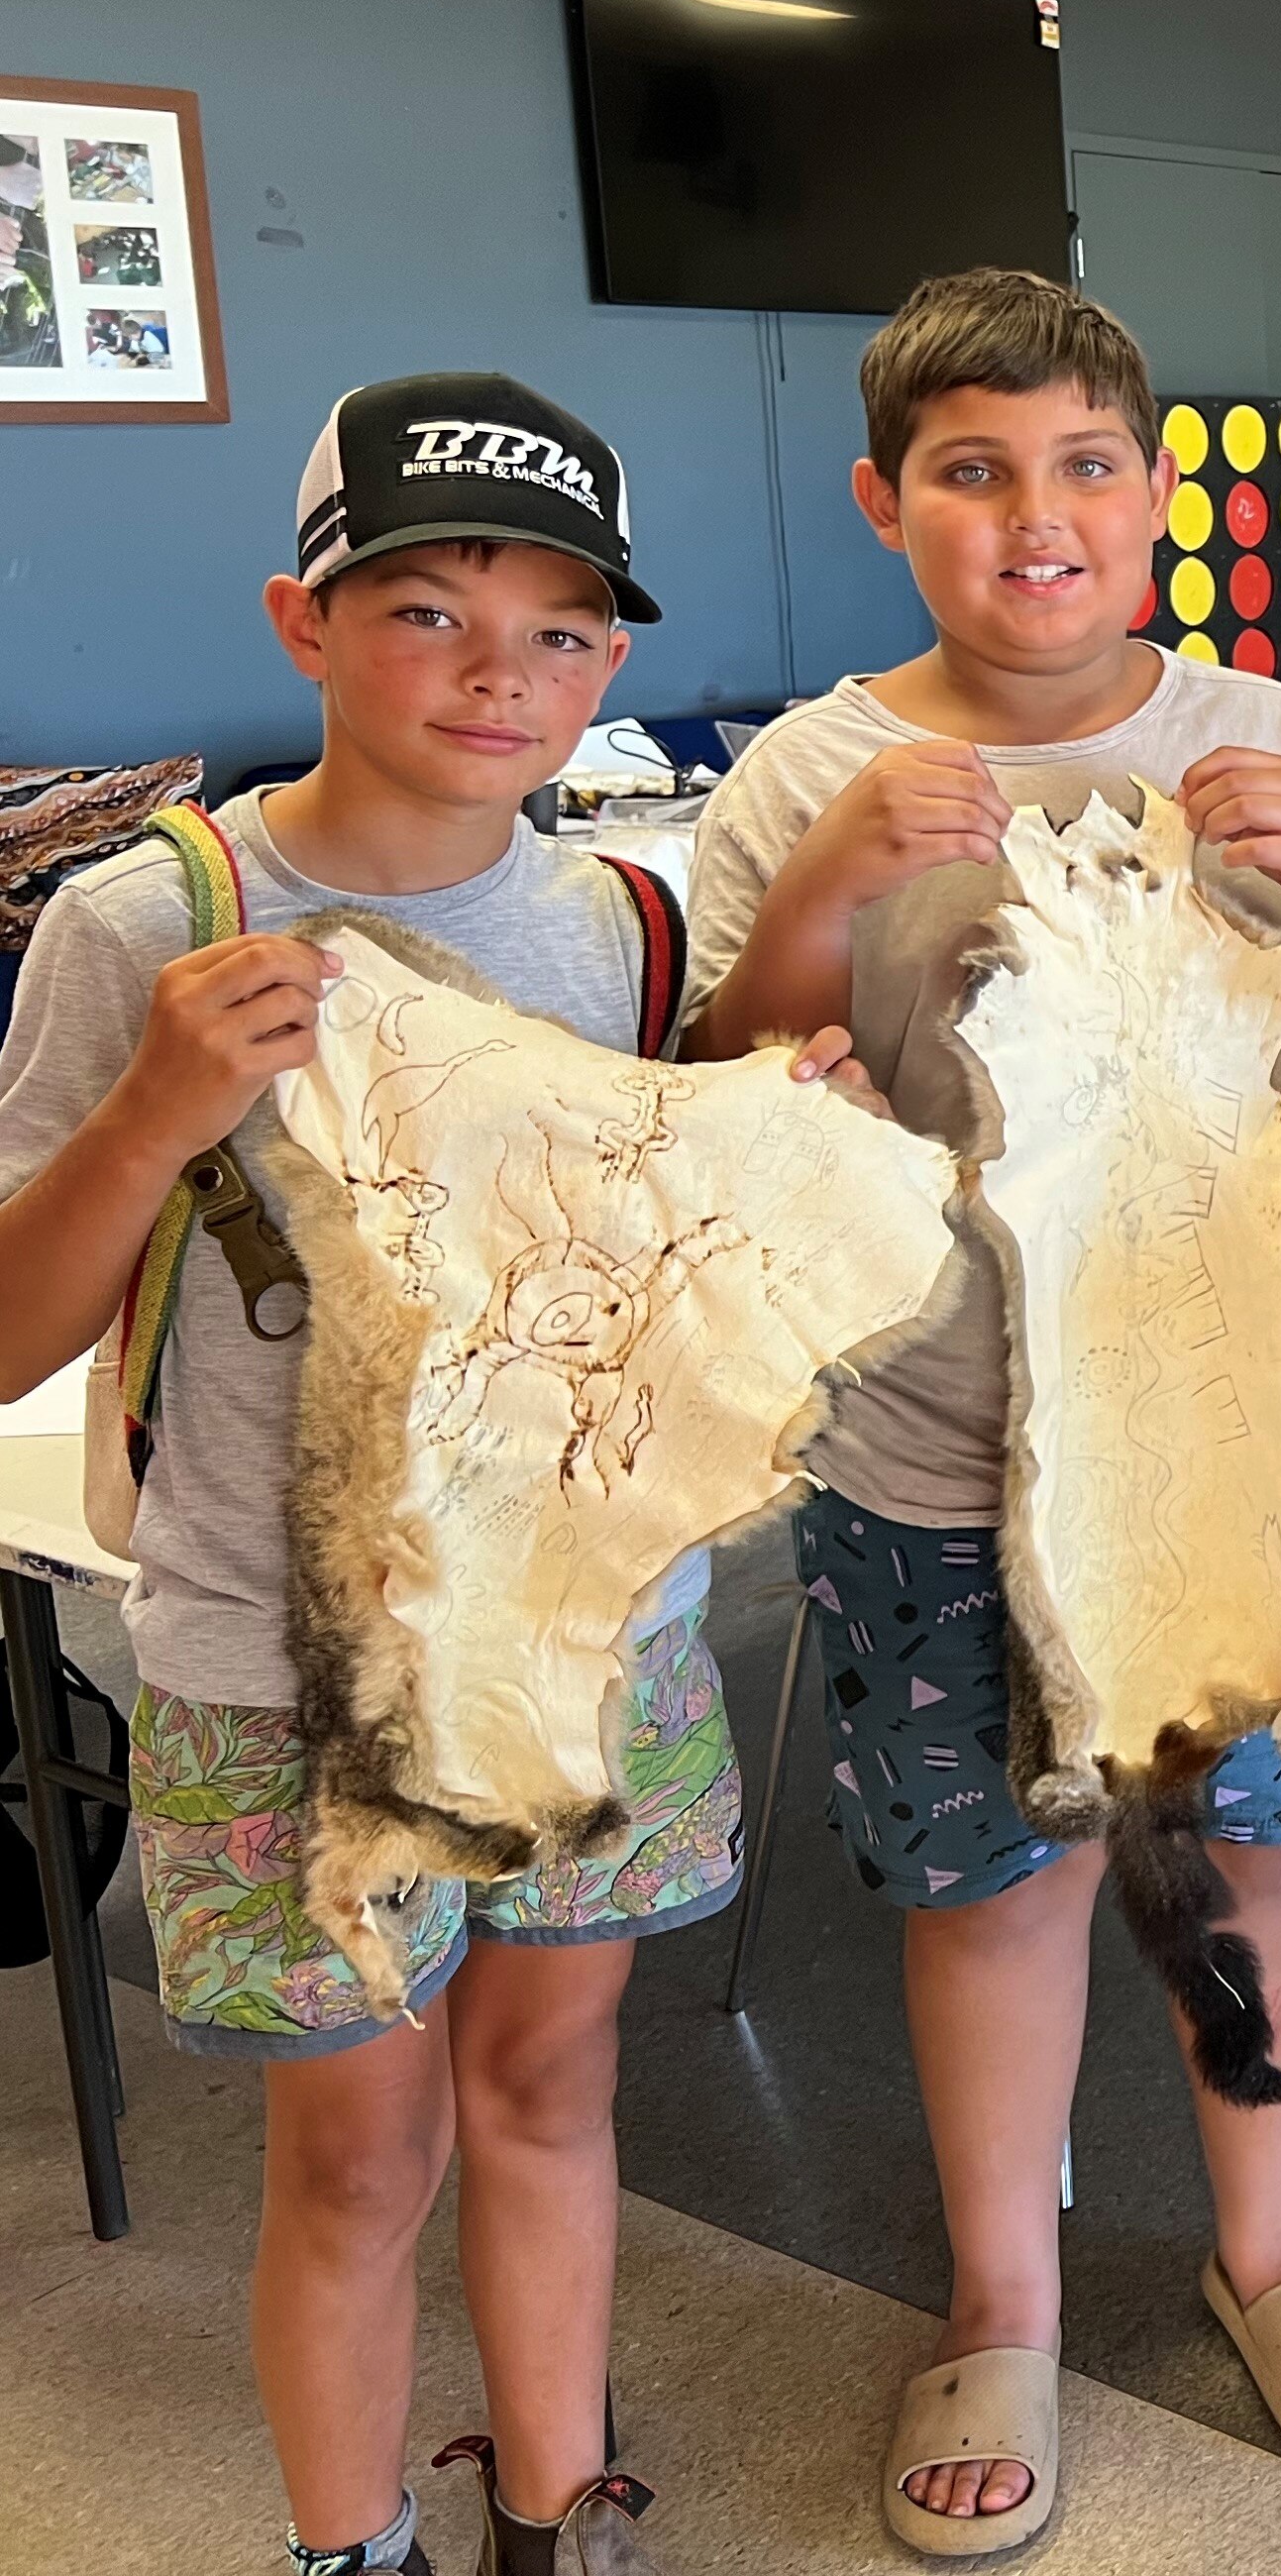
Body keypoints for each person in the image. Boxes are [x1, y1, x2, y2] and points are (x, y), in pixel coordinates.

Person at [683, 269, 1281, 2557]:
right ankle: (1002, 2293)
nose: (1036, 518)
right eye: (972, 470)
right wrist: (834, 897)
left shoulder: (1278, 741)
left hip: (1261, 1417)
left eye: (1083, 466)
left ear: (1155, 495)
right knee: (995, 1883)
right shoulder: (808, 778)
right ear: (885, 501)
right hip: (935, 1444)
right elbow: (725, 1114)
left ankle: (1271, 2234)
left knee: (1267, 1835)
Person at [0, 376, 780, 2576]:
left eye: (556, 632)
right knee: (356, 2161)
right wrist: (158, 1112)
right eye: (427, 610)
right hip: (278, 1668)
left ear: (611, 663)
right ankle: (344, 2548)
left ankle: (555, 2517)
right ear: (303, 622)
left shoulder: (627, 928)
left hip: (580, 1650)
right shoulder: (142, 923)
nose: (497, 673)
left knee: (549, 2097)